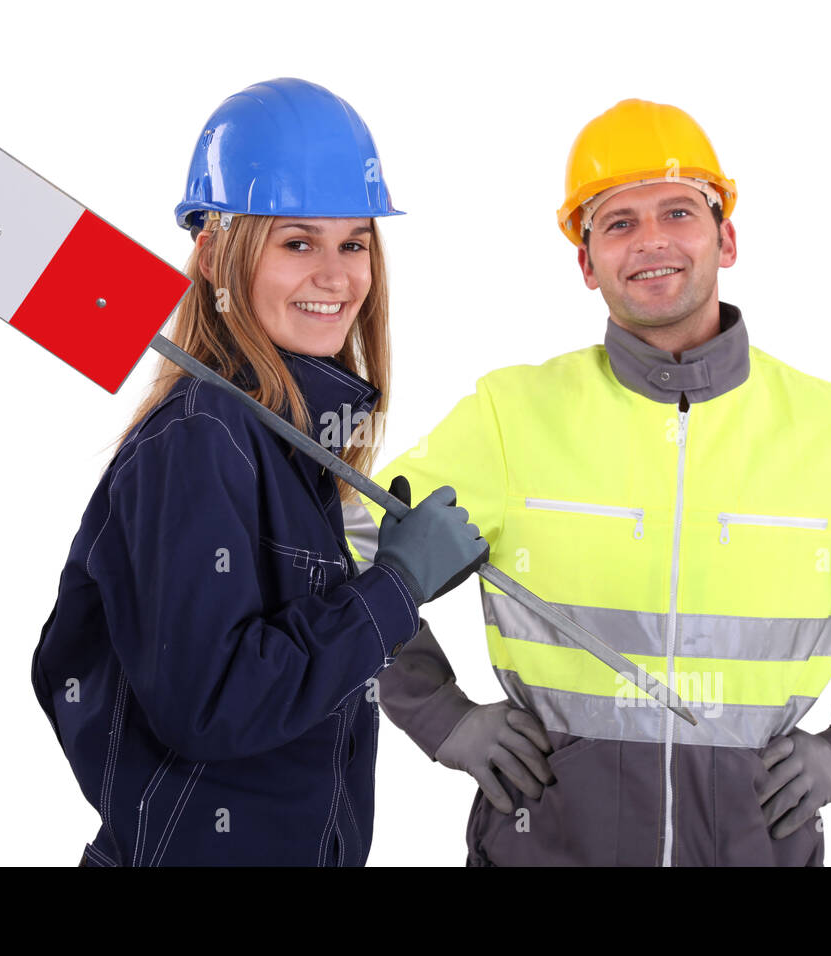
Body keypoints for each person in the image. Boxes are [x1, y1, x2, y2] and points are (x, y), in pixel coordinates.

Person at [344, 98, 831, 866]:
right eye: (617, 222)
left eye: (678, 212)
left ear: (725, 238)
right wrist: (442, 716)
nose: (650, 240)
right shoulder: (508, 417)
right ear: (587, 263)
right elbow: (345, 553)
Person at [30, 78, 488, 867]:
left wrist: (380, 575)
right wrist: (394, 590)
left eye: (353, 242)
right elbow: (210, 703)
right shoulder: (199, 440)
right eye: (297, 242)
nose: (337, 276)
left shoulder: (283, 446)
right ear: (216, 256)